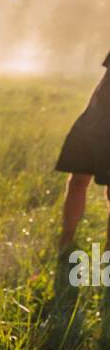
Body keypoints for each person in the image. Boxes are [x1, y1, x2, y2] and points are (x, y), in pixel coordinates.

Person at [53, 50, 110, 315]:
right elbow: (104, 81)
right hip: (94, 122)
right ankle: (67, 240)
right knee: (77, 181)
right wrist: (88, 116)